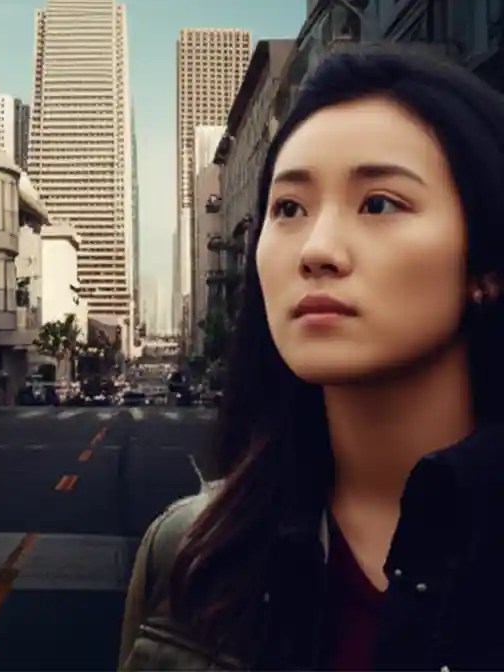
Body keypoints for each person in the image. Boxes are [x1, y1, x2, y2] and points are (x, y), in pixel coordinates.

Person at [119, 46, 504, 670]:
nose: (316, 250)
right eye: (289, 209)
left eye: (379, 203)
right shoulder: (192, 551)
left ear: (486, 264)